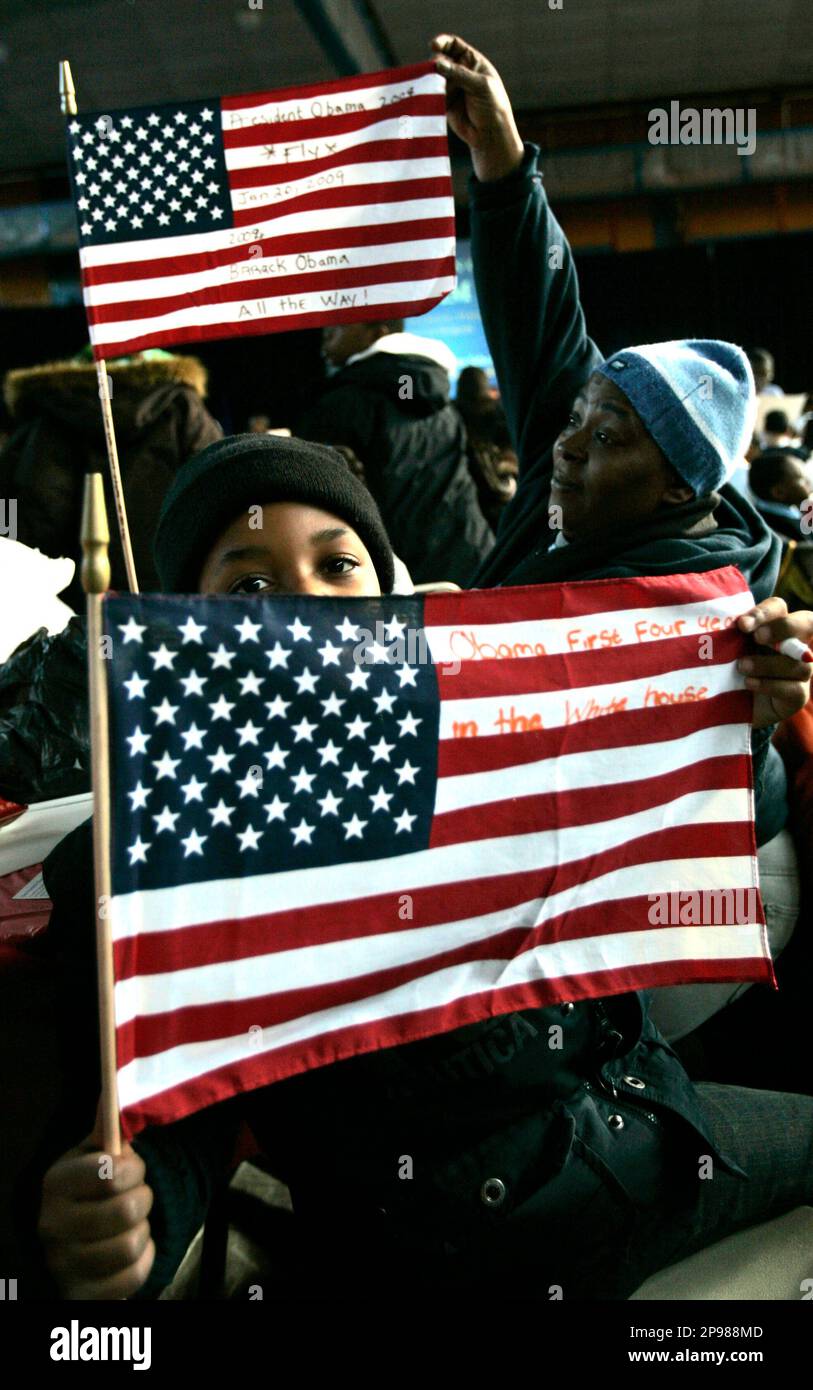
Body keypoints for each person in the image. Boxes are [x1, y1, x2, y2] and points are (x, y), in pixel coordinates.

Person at [24, 411, 813, 1301]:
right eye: (249, 589)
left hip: (642, 1111)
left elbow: (642, 837)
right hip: (504, 1237)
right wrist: (127, 1222)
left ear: (385, 588)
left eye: (337, 564)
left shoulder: (487, 733)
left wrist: (734, 719)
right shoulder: (181, 847)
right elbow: (171, 1101)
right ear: (192, 627)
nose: (310, 603)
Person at [0, 347, 222, 603]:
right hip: (168, 598)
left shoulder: (46, 413)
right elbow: (214, 495)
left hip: (66, 600)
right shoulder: (186, 411)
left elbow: (18, 512)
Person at [296, 318, 494, 587]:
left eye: (341, 324)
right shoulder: (443, 402)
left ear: (378, 332)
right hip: (474, 563)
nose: (326, 332)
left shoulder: (340, 403)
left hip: (398, 582)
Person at [749, 449, 812, 542]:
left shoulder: (796, 513)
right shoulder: (784, 532)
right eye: (804, 480)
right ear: (779, 492)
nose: (810, 482)